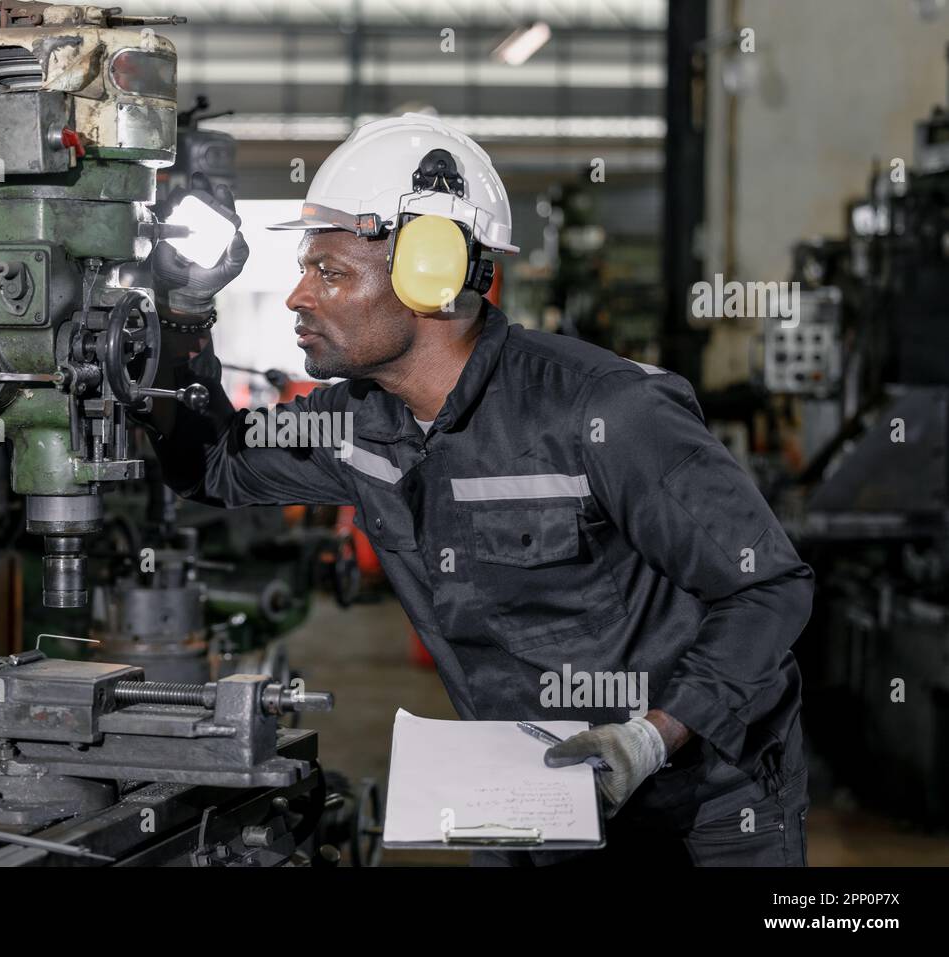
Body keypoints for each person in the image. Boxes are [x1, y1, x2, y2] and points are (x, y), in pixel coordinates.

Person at [138, 113, 812, 866]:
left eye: (330, 272)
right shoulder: (356, 427)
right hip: (525, 798)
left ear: (430, 273)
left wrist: (653, 733)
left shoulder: (602, 411)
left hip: (698, 809)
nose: (299, 295)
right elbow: (214, 465)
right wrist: (183, 320)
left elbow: (769, 588)